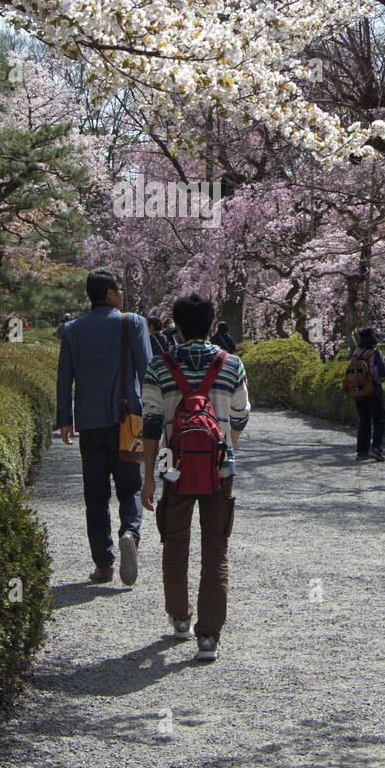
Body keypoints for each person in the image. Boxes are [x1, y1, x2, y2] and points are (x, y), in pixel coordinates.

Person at [141, 292, 250, 662]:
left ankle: (179, 618)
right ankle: (209, 637)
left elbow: (151, 424)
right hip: (219, 468)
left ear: (178, 325)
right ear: (210, 322)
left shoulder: (159, 366)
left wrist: (148, 477)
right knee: (216, 550)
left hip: (173, 465)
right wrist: (227, 448)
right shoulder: (231, 363)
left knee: (174, 545)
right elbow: (240, 416)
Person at [56, 270, 152, 584]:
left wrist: (65, 420)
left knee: (96, 495)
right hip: (129, 423)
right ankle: (131, 534)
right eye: (120, 289)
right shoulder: (132, 323)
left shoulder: (71, 330)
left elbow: (63, 379)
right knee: (130, 488)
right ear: (110, 293)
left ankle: (104, 564)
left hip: (90, 423)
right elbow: (147, 372)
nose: (122, 294)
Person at [352, 325, 385, 461]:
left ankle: (361, 452)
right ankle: (376, 449)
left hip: (358, 393)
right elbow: (383, 372)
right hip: (373, 391)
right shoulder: (375, 354)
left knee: (364, 422)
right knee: (378, 421)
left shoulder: (356, 354)